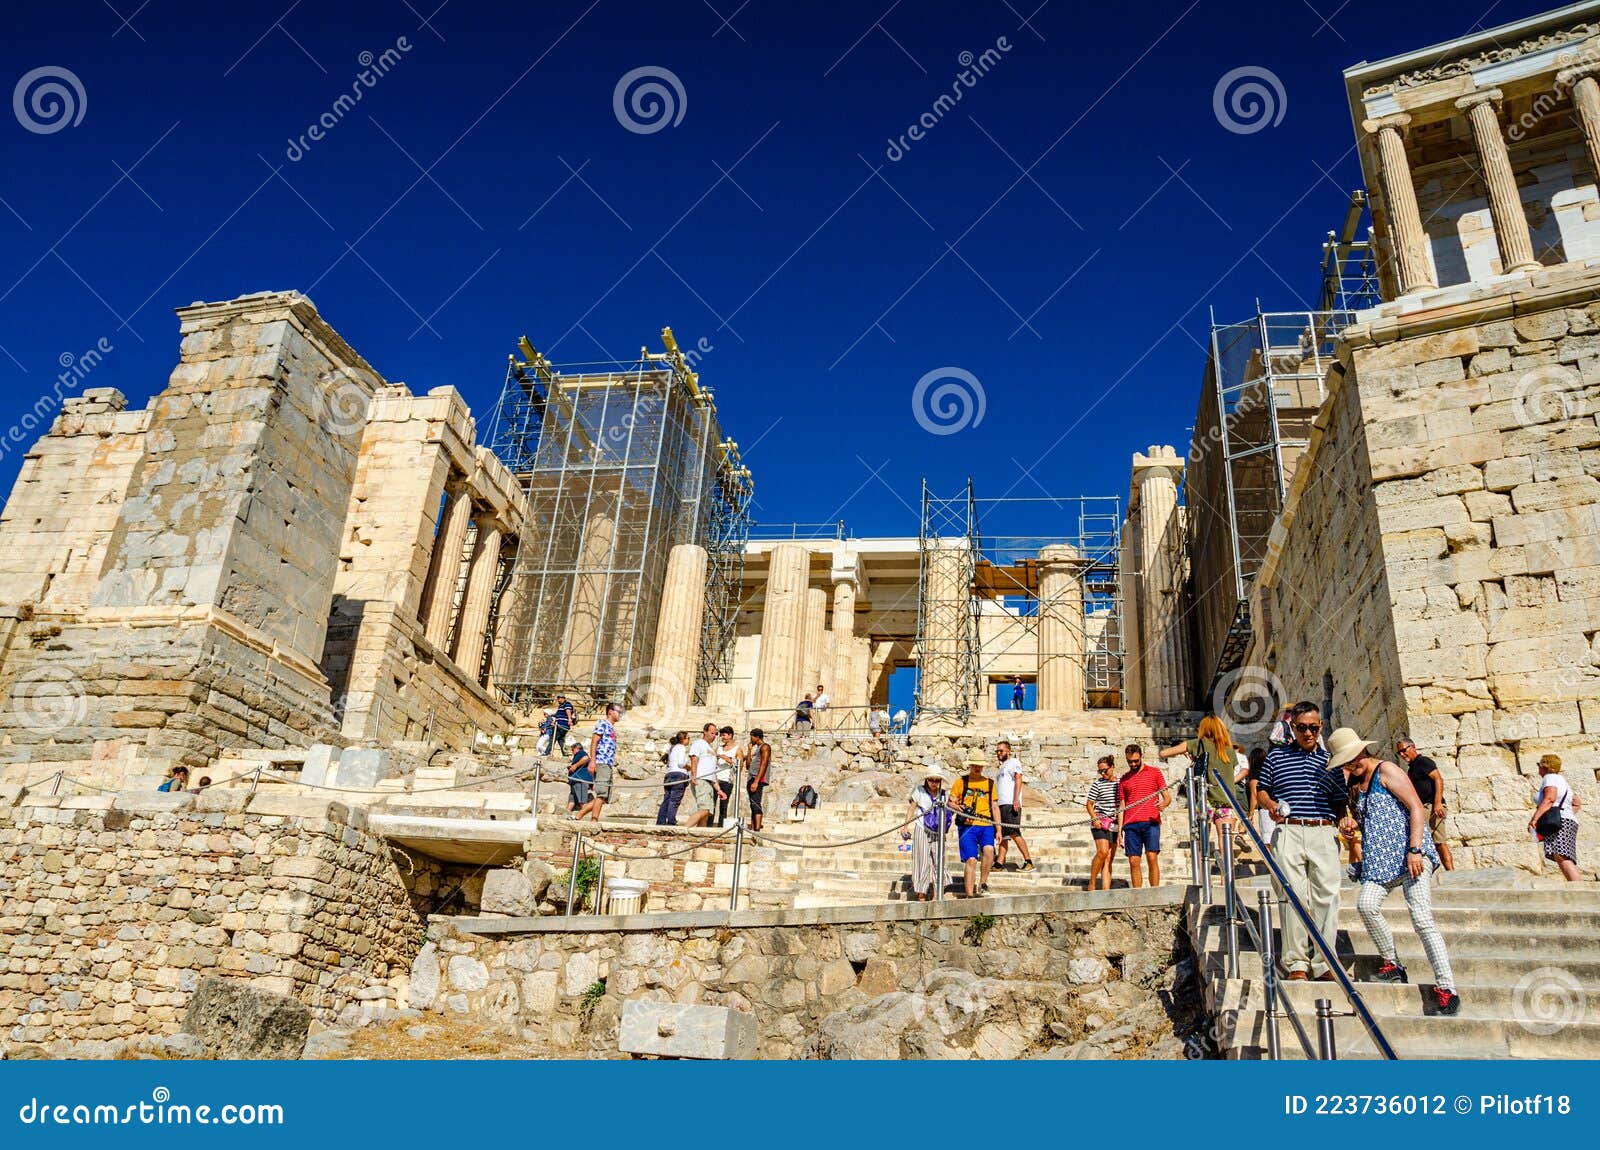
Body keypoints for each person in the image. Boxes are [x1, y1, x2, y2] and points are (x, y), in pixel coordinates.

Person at [1332, 729, 1460, 1015]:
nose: (1346, 766)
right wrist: (1352, 825)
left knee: (1422, 919)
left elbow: (1415, 807)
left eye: (1347, 761)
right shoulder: (1359, 785)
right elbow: (1375, 821)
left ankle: (1446, 987)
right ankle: (1393, 964)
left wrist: (1415, 849)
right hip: (1380, 863)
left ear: (1358, 753)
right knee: (1366, 905)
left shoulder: (1386, 770)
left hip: (1409, 857)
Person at [1254, 701, 1347, 981]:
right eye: (1303, 727)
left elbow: (1340, 799)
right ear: (1292, 727)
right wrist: (1270, 805)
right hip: (1290, 830)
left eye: (1314, 728)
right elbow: (1262, 790)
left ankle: (1324, 961)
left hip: (1323, 829)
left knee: (1328, 897)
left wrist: (1344, 820)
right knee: (1292, 895)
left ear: (1321, 728)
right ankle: (1296, 963)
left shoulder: (1330, 760)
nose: (1309, 733)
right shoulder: (1276, 757)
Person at [1158, 713, 1244, 846]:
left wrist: (1187, 752)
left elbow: (1163, 753)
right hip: (1226, 800)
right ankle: (1227, 866)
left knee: (1201, 843)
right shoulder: (1230, 751)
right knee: (1225, 842)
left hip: (1205, 801)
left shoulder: (1198, 744)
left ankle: (1201, 866)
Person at [1396, 737, 1455, 871]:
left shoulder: (1423, 762)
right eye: (1399, 753)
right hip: (1423, 809)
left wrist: (1438, 802)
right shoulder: (1411, 770)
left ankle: (1451, 872)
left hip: (1432, 807)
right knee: (1427, 842)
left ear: (1413, 747)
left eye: (1404, 750)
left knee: (1439, 842)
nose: (1402, 755)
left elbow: (1438, 779)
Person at [1117, 744, 1169, 887]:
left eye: (1136, 761)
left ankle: (1155, 892)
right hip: (1131, 824)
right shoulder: (1124, 779)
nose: (1133, 764)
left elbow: (1167, 797)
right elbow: (1122, 806)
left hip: (1151, 821)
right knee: (1133, 861)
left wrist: (1163, 805)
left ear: (1141, 756)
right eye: (1130, 762)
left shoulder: (1155, 773)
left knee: (1152, 857)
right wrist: (1119, 831)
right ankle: (1138, 895)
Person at [949, 750, 998, 897]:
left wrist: (999, 829)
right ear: (970, 765)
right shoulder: (961, 782)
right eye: (975, 765)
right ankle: (970, 895)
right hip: (967, 825)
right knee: (971, 859)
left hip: (986, 823)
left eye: (980, 766)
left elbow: (995, 806)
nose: (977, 768)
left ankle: (983, 883)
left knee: (989, 850)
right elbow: (950, 802)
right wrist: (957, 807)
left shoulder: (989, 783)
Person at [1529, 753, 1581, 881]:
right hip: (1566, 820)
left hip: (1561, 821)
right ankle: (1578, 887)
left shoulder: (1550, 778)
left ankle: (1580, 889)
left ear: (1544, 766)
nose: (1538, 769)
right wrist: (1564, 813)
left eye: (1539, 765)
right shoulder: (1561, 780)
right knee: (1561, 855)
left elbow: (1549, 799)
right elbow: (1577, 803)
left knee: (1561, 855)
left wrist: (1535, 819)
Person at [905, 767, 953, 900]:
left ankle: (938, 891)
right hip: (922, 827)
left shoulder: (944, 794)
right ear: (927, 780)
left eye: (937, 780)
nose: (934, 783)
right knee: (922, 860)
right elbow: (912, 808)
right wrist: (905, 826)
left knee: (939, 859)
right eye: (931, 780)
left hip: (938, 830)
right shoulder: (919, 791)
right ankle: (921, 892)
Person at [993, 740, 1035, 871]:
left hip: (1011, 803)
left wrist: (1016, 799)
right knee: (1004, 834)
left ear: (1008, 751)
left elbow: (1018, 779)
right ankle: (999, 863)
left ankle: (1028, 861)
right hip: (1001, 804)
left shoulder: (1014, 762)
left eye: (1001, 750)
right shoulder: (1001, 767)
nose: (998, 753)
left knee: (1013, 832)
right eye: (997, 751)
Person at [575, 703, 620, 821]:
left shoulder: (611, 727)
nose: (620, 714)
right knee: (601, 794)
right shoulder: (602, 724)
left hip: (608, 764)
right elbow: (594, 742)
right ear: (610, 712)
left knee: (604, 796)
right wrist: (592, 761)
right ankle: (593, 820)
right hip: (601, 762)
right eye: (618, 711)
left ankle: (579, 815)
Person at [1085, 754, 1119, 891]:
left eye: (1105, 770)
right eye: (1100, 771)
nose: (1103, 773)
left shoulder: (1120, 782)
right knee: (1103, 852)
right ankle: (1092, 882)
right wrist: (1095, 818)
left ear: (1112, 767)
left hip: (1115, 823)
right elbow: (1089, 804)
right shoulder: (1098, 784)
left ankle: (1106, 890)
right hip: (1100, 820)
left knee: (1109, 858)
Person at [657, 730, 692, 825]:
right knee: (674, 800)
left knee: (667, 799)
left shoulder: (673, 748)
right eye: (688, 738)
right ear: (684, 739)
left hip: (670, 774)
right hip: (679, 775)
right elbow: (681, 763)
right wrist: (689, 767)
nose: (689, 740)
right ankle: (671, 821)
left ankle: (661, 821)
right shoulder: (681, 747)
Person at [1246, 746, 1277, 849]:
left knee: (1268, 840)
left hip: (1265, 810)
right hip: (1276, 806)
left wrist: (1250, 813)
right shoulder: (1270, 773)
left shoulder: (1255, 774)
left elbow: (1254, 794)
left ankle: (1271, 863)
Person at [689, 723, 719, 823]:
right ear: (705, 732)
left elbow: (712, 770)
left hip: (709, 782)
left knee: (707, 813)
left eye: (715, 733)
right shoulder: (698, 743)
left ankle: (699, 836)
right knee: (704, 809)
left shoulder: (710, 748)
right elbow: (694, 759)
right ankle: (684, 829)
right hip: (701, 779)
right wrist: (694, 775)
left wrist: (718, 789)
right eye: (712, 733)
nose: (714, 735)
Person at [745, 728, 771, 830]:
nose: (750, 739)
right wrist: (749, 750)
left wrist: (756, 781)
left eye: (752, 736)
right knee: (752, 803)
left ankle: (757, 828)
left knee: (756, 802)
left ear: (757, 737)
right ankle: (753, 826)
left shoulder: (765, 747)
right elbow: (748, 765)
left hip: (757, 778)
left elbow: (764, 764)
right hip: (751, 777)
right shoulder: (756, 749)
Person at [713, 725, 740, 824]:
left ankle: (721, 827)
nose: (722, 738)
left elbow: (739, 767)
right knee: (712, 805)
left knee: (723, 807)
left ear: (730, 735)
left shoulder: (737, 749)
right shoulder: (718, 748)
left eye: (724, 735)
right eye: (721, 736)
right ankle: (708, 825)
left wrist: (727, 759)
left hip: (727, 781)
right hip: (715, 779)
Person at [565, 738, 592, 815]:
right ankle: (565, 816)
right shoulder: (578, 755)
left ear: (577, 748)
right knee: (571, 801)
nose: (572, 752)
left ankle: (587, 819)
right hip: (575, 781)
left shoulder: (581, 753)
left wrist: (575, 766)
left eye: (572, 750)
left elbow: (586, 758)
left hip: (579, 780)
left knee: (582, 802)